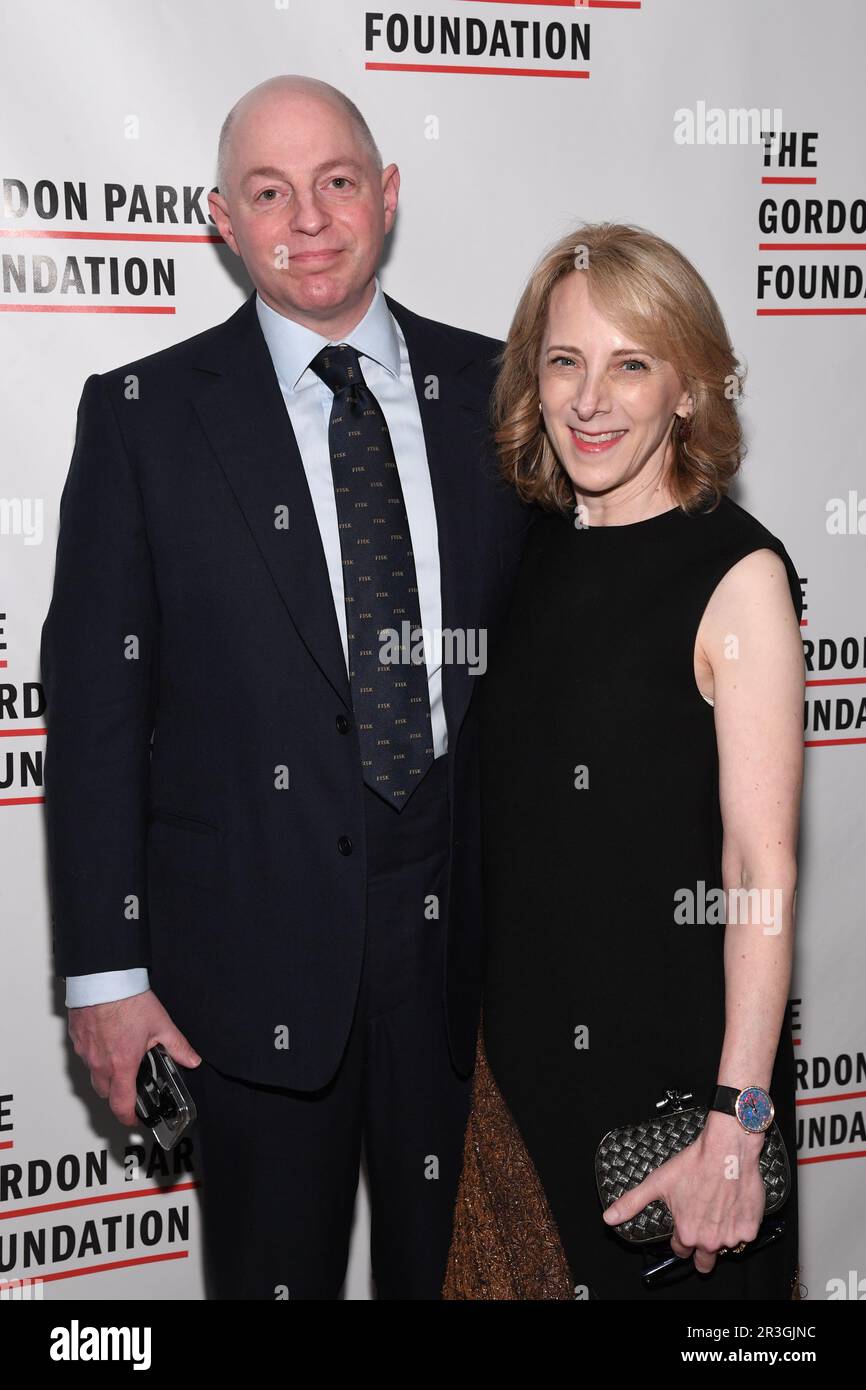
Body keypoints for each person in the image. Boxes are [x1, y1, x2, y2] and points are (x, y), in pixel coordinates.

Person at [40, 75, 528, 1300]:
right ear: (222, 219)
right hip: (243, 965)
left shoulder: (500, 396)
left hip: (465, 966)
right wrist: (105, 976)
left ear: (387, 194)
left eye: (335, 182)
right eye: (267, 192)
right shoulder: (143, 418)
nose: (307, 218)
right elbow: (97, 716)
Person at [443, 222, 805, 1301]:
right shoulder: (522, 554)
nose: (590, 400)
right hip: (513, 1091)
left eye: (631, 364)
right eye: (565, 361)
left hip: (679, 1102)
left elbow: (758, 870)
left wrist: (737, 1122)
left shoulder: (736, 574)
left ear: (687, 389)